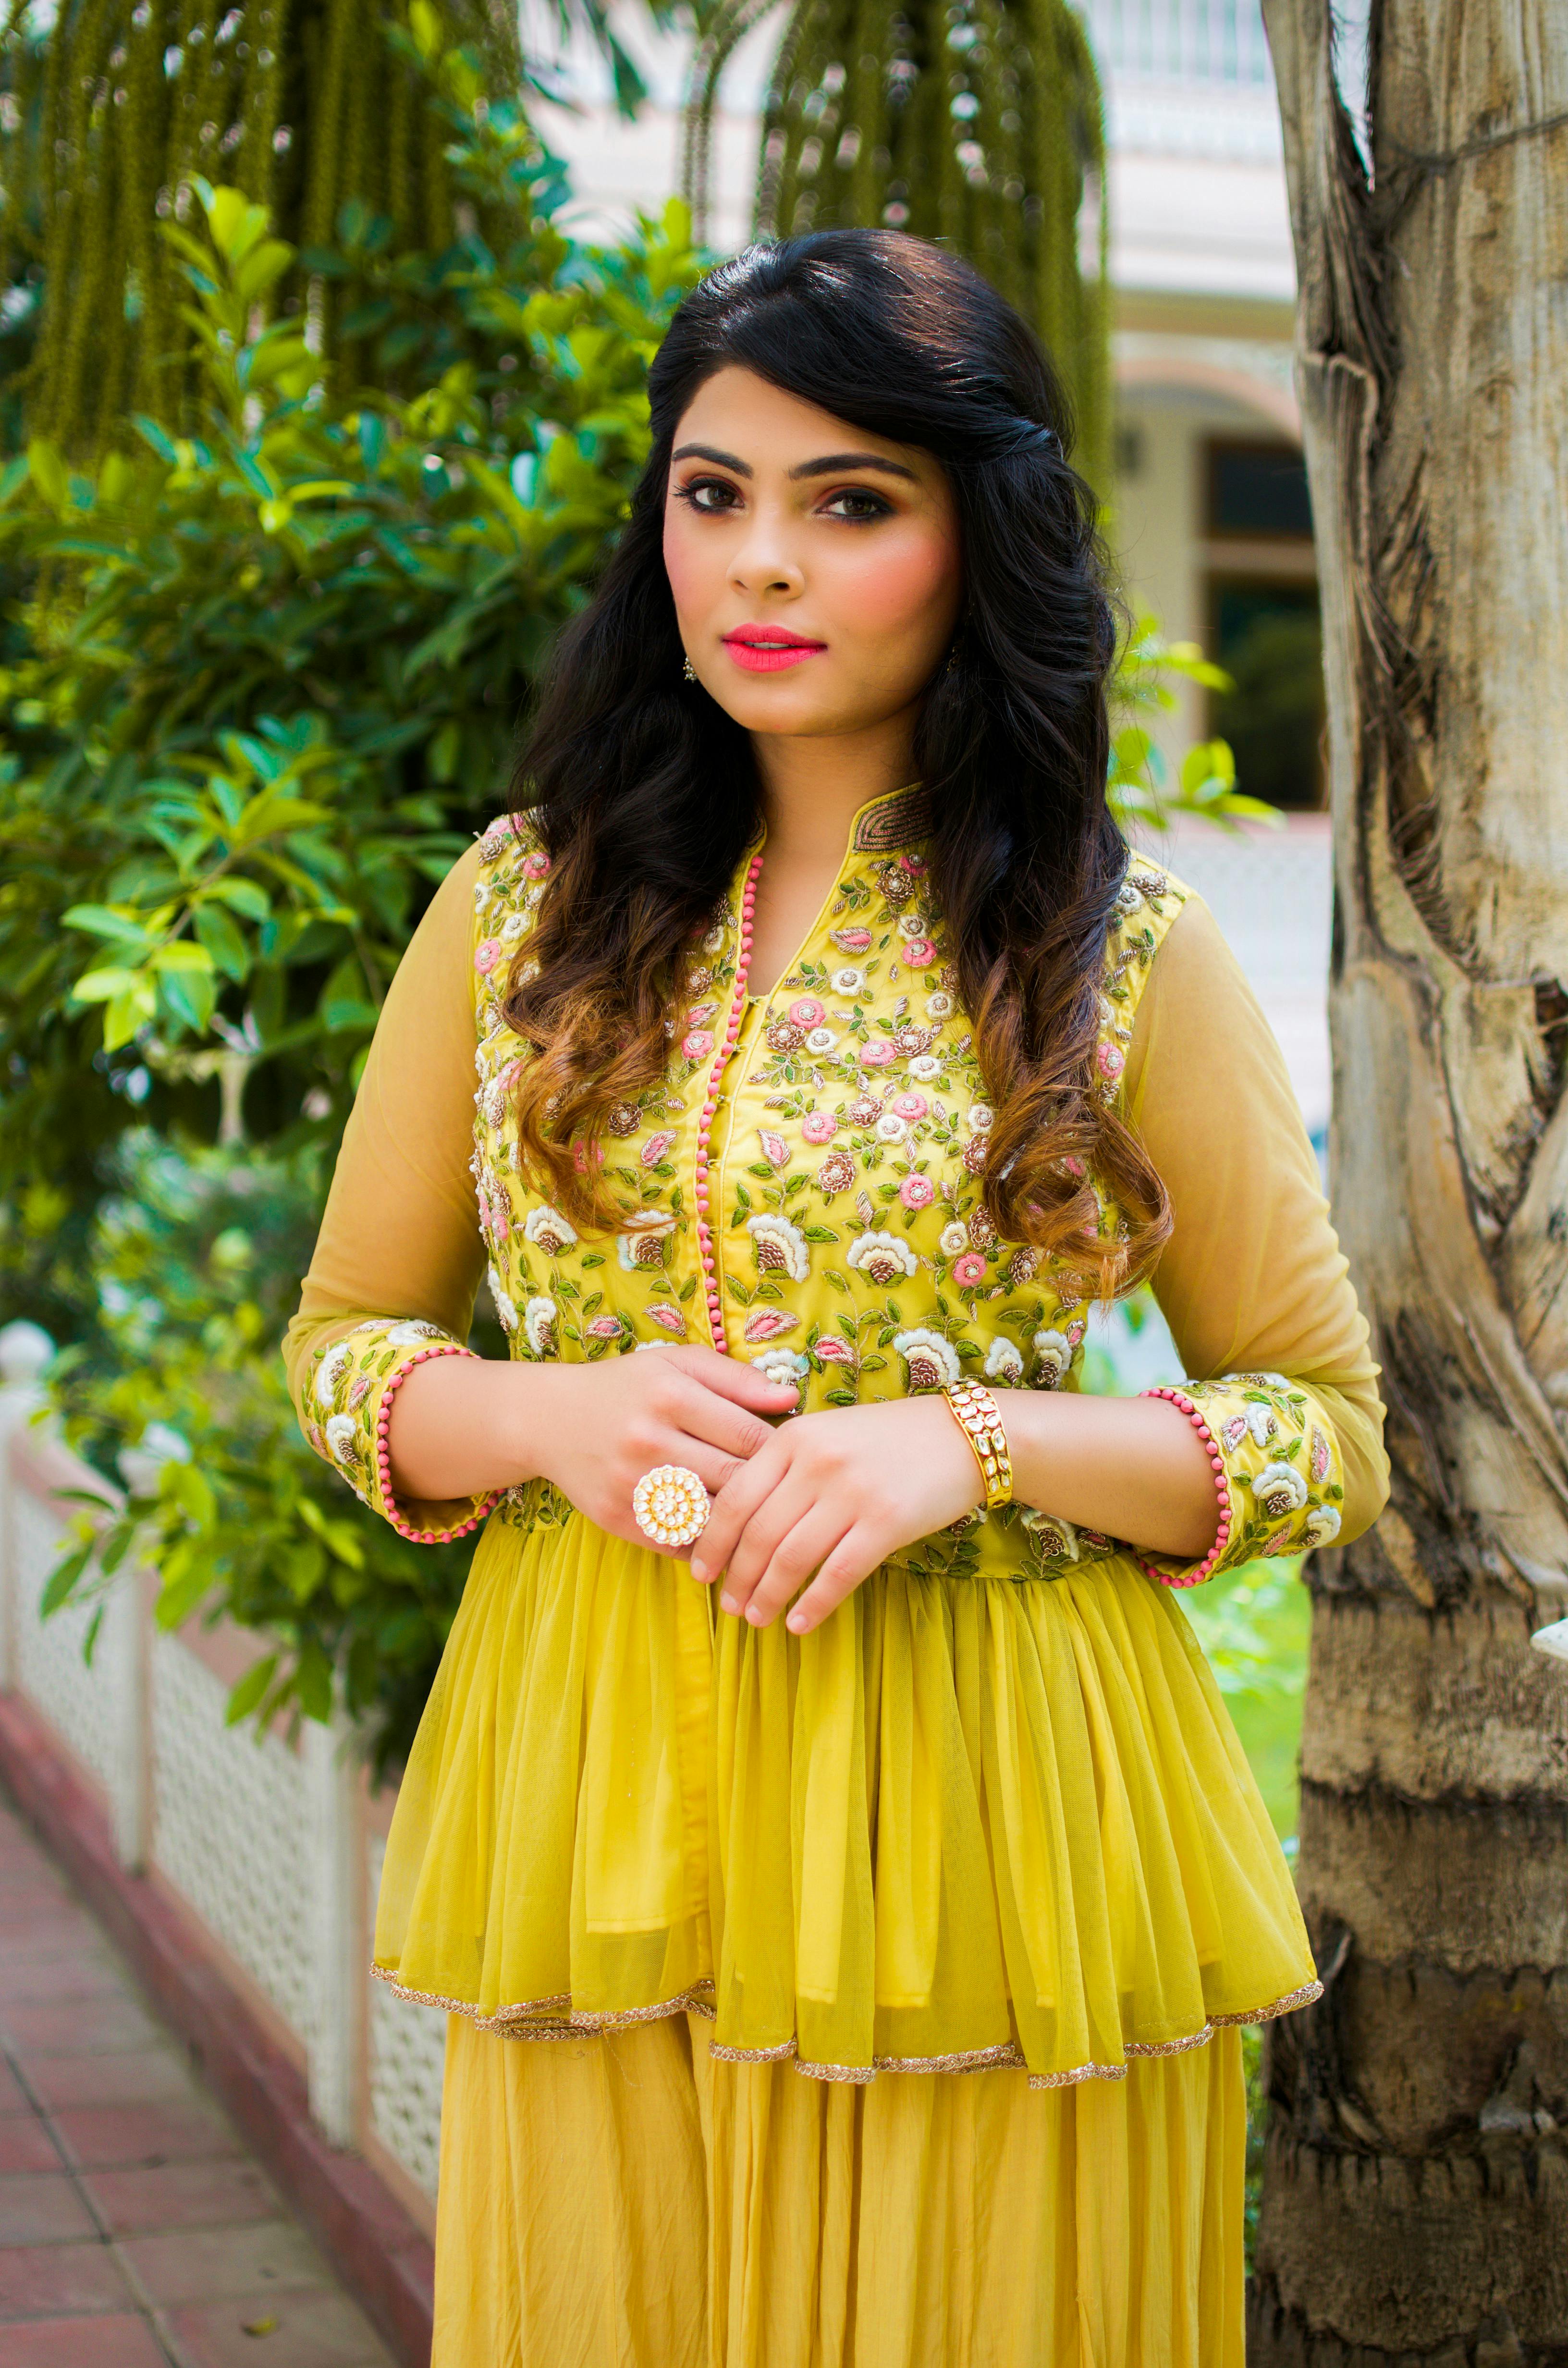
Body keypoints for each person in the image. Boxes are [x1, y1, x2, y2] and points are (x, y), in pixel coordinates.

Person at [285, 230, 1386, 2367]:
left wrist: (968, 1444)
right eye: (715, 494)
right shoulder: (526, 907)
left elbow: (1321, 1424)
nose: (761, 562)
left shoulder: (1114, 948)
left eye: (850, 501)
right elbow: (345, 1347)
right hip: (605, 1809)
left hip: (992, 1829)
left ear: (983, 533)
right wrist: (541, 1418)